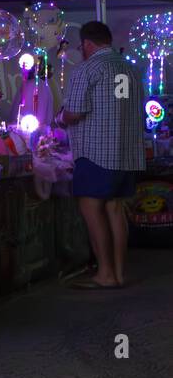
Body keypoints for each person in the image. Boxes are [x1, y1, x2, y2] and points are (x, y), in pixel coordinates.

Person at [58, 21, 146, 289]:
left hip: (96, 153)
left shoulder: (87, 69)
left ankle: (105, 273)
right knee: (115, 208)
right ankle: (118, 273)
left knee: (90, 206)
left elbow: (75, 113)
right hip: (127, 153)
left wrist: (59, 119)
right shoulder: (131, 69)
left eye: (80, 46)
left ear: (87, 43)